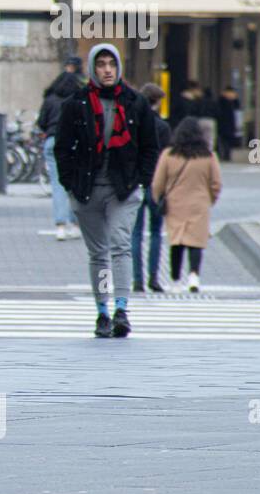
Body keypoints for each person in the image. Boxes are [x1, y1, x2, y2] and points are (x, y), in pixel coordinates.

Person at [54, 43, 159, 338]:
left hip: (123, 190)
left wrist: (141, 180)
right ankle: (102, 312)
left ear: (119, 67)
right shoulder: (77, 103)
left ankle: (122, 309)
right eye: (100, 64)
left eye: (111, 64)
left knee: (120, 243)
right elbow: (62, 148)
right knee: (98, 253)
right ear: (92, 68)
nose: (107, 70)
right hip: (87, 189)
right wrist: (70, 184)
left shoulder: (135, 102)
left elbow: (150, 146)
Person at [152, 117, 222, 293]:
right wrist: (210, 199)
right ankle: (194, 277)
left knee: (177, 242)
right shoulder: (209, 155)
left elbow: (158, 183)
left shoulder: (169, 154)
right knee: (196, 242)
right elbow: (216, 183)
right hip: (199, 203)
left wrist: (158, 198)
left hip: (175, 203)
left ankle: (175, 280)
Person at [131, 83, 172, 292]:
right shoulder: (163, 127)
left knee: (135, 232)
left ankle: (137, 280)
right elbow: (167, 159)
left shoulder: (133, 124)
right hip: (157, 183)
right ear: (157, 102)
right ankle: (154, 278)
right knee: (156, 231)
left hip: (136, 182)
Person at [37, 67, 83, 240]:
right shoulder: (79, 99)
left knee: (58, 185)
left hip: (52, 141)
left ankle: (61, 226)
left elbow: (41, 122)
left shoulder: (50, 100)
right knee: (75, 183)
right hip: (74, 142)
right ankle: (76, 224)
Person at [216, 86, 241, 162]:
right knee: (223, 141)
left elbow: (238, 112)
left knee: (229, 142)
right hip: (223, 124)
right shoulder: (221, 101)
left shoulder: (235, 102)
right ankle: (223, 155)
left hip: (231, 125)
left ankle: (227, 155)